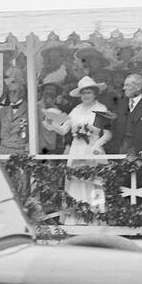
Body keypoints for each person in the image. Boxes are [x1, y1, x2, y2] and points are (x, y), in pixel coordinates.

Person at [44, 76, 112, 213]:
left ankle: (96, 217)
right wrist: (52, 125)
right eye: (83, 93)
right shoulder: (76, 109)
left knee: (94, 183)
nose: (86, 95)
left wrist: (97, 145)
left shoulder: (101, 108)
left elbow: (107, 134)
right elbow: (64, 130)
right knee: (75, 184)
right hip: (76, 151)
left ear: (95, 93)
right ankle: (74, 217)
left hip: (93, 151)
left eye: (89, 92)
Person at [109, 73, 142, 159]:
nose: (124, 88)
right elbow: (113, 128)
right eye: (124, 85)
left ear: (138, 87)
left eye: (127, 85)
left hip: (140, 152)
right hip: (120, 150)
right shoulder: (120, 104)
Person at [0, 69, 29, 154]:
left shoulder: (29, 110)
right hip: (4, 151)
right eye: (10, 92)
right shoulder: (4, 111)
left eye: (15, 91)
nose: (12, 94)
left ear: (22, 93)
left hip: (21, 151)